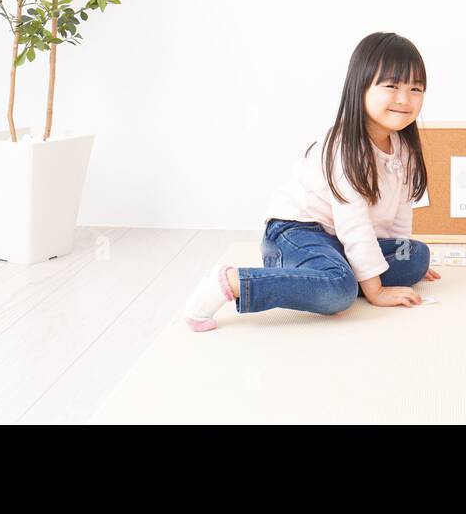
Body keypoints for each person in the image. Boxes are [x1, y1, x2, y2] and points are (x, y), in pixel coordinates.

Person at [182, 32, 440, 330]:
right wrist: (376, 290)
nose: (404, 99)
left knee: (416, 256)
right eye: (391, 86)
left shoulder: (403, 149)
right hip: (297, 232)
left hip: (340, 241)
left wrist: (403, 261)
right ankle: (232, 282)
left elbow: (399, 216)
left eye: (416, 89)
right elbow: (353, 224)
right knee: (339, 292)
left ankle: (322, 279)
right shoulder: (345, 146)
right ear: (360, 87)